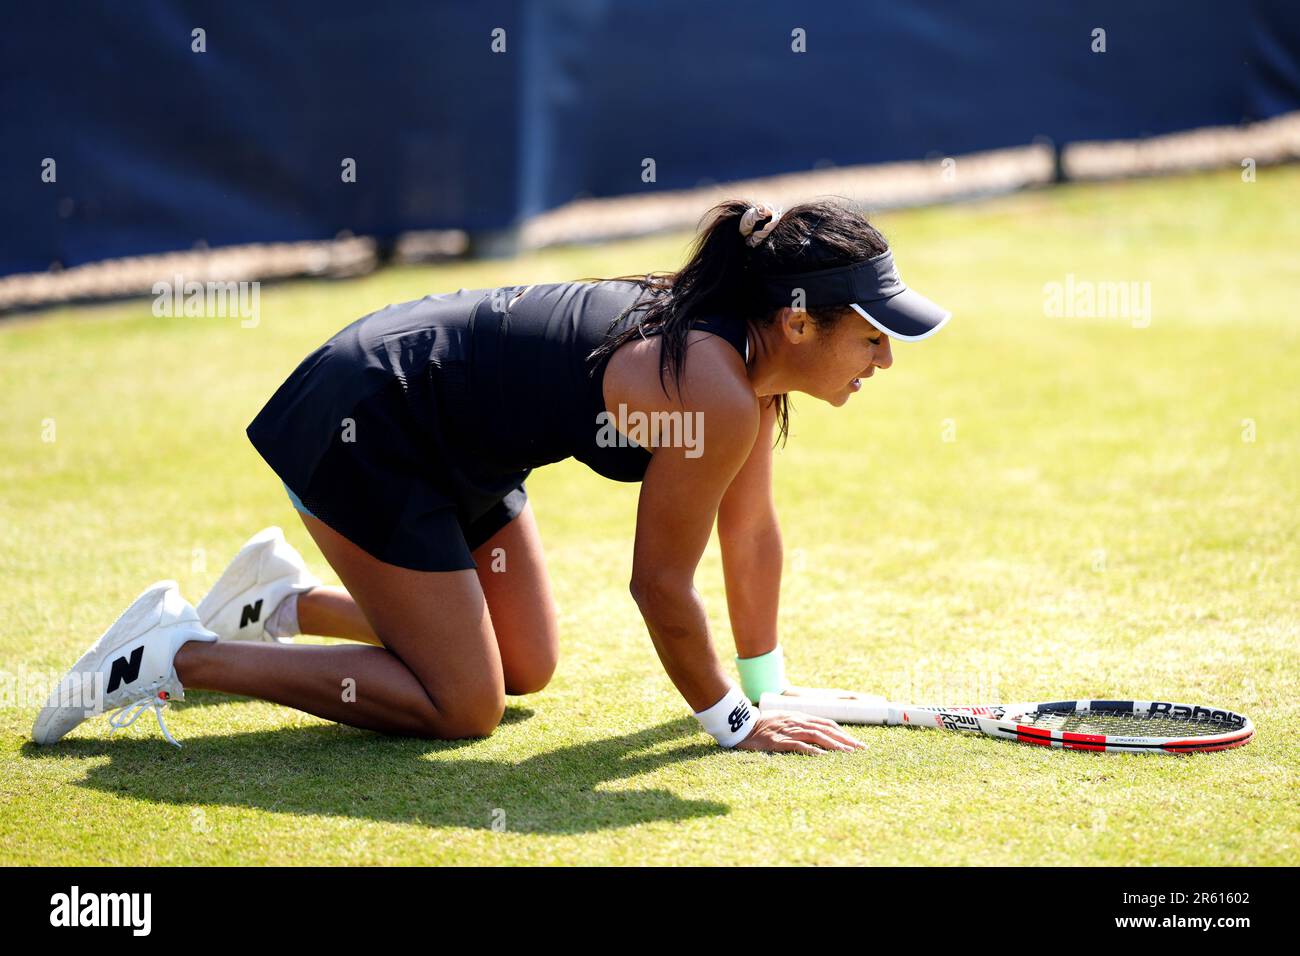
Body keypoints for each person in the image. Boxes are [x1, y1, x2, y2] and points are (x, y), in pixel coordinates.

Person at [33, 199, 950, 754]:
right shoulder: (716, 390)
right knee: (466, 704)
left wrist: (769, 685)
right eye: (873, 334)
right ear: (797, 324)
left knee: (525, 667)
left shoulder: (747, 376)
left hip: (458, 440)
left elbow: (747, 538)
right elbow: (659, 585)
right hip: (374, 416)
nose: (885, 359)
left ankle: (282, 602)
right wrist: (732, 723)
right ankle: (170, 656)